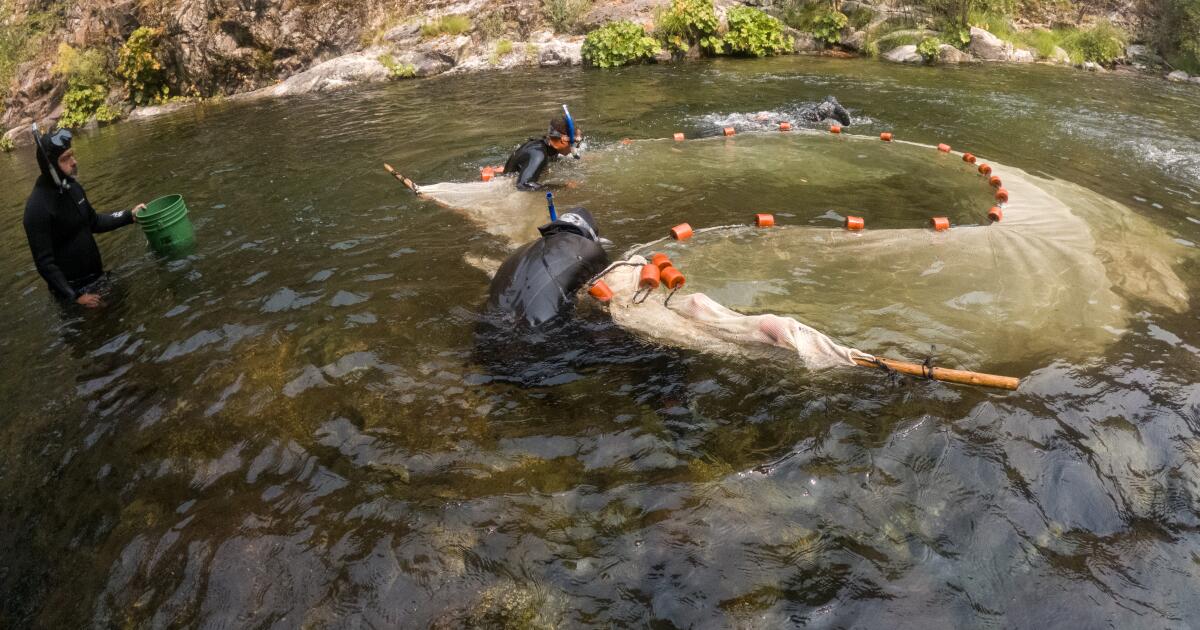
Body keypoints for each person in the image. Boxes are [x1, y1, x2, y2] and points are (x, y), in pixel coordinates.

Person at [23, 127, 144, 308]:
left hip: (97, 278)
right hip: (73, 292)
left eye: (72, 155)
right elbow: (45, 264)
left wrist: (129, 215)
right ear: (50, 166)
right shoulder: (37, 208)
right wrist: (75, 297)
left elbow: (94, 221)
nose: (74, 162)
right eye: (65, 159)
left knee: (124, 311)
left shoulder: (73, 188)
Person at [485, 207, 608, 328]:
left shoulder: (522, 250)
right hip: (540, 331)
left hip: (486, 326)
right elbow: (609, 287)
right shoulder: (591, 249)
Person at [502, 106, 582, 191]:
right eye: (577, 143)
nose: (577, 147)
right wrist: (563, 187)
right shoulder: (539, 154)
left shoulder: (548, 148)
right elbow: (523, 185)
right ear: (563, 140)